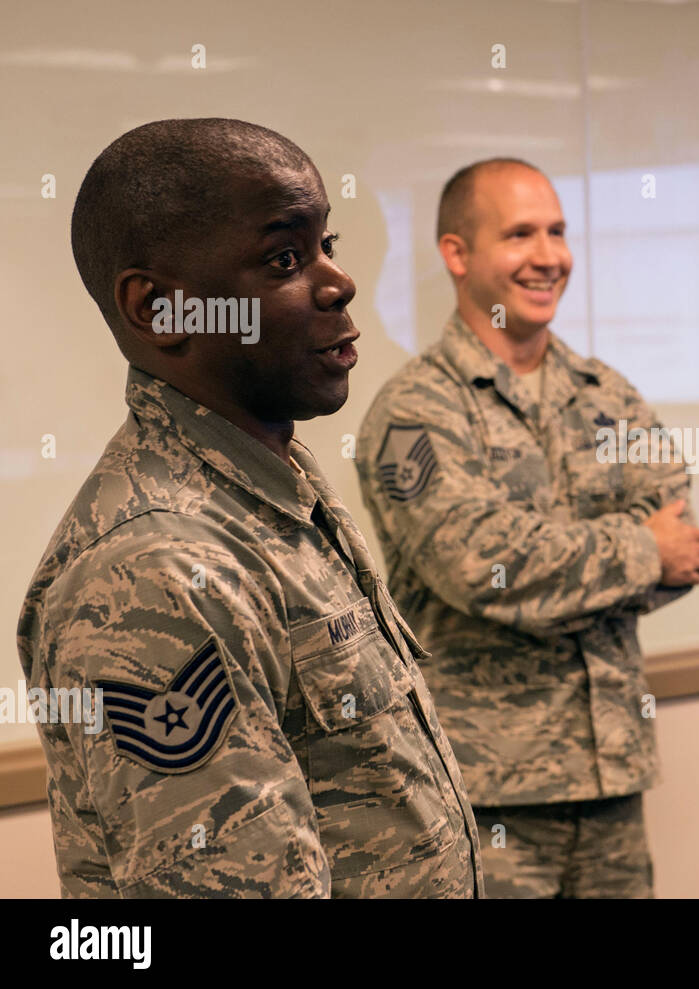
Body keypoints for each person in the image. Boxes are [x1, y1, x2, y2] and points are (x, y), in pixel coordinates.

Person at [17, 118, 482, 898]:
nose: (338, 282)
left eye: (327, 245)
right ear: (160, 309)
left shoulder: (270, 488)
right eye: (285, 259)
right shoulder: (159, 566)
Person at [356, 158, 699, 897]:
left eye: (557, 231)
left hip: (611, 779)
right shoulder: (415, 411)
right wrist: (640, 547)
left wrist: (565, 565)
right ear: (458, 254)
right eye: (520, 234)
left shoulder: (606, 394)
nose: (549, 256)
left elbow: (687, 546)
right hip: (484, 795)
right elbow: (481, 567)